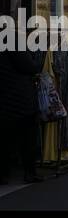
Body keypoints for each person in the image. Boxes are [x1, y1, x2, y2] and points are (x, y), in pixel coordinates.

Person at [0, 39, 43, 185]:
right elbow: (31, 67)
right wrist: (38, 54)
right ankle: (29, 173)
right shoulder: (11, 41)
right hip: (20, 101)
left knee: (4, 140)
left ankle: (3, 174)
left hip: (4, 101)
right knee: (28, 139)